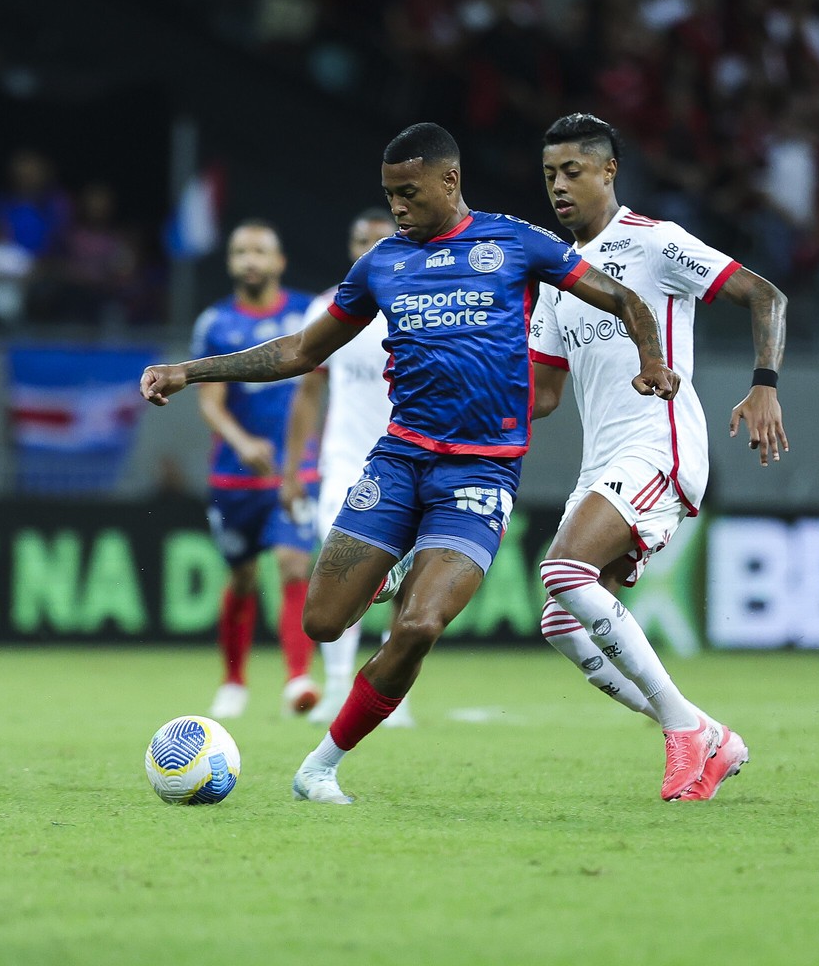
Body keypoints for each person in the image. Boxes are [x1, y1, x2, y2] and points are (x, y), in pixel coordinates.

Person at [141, 122, 681, 804]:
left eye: (407, 192)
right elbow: (301, 352)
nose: (396, 207)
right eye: (387, 194)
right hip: (396, 465)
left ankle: (320, 766)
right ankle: (391, 567)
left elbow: (623, 297)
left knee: (419, 625)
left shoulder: (511, 242)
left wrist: (652, 362)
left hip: (480, 476)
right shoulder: (382, 265)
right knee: (321, 623)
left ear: (448, 181)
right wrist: (189, 371)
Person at [527, 114, 785, 800]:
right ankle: (705, 730)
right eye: (550, 173)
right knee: (558, 619)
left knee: (562, 568)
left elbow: (765, 294)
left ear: (609, 171)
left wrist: (763, 386)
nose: (558, 185)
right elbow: (542, 394)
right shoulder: (557, 274)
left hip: (660, 441)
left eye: (572, 171)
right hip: (601, 457)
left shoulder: (654, 243)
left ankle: (680, 729)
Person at [278, 209, 413, 728]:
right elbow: (308, 395)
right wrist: (293, 471)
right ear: (351, 247)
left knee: (406, 577)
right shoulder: (327, 307)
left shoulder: (421, 304)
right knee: (341, 567)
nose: (370, 248)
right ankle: (337, 687)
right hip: (343, 463)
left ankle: (389, 690)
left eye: (381, 240)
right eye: (361, 240)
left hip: (406, 461)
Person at [189, 221, 317, 720]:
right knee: (242, 578)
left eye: (260, 251)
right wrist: (240, 441)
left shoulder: (306, 314)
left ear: (279, 261)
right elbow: (210, 401)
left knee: (292, 563)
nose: (249, 260)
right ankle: (234, 682)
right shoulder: (215, 323)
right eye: (240, 251)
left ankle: (298, 679)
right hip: (233, 477)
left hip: (295, 471)